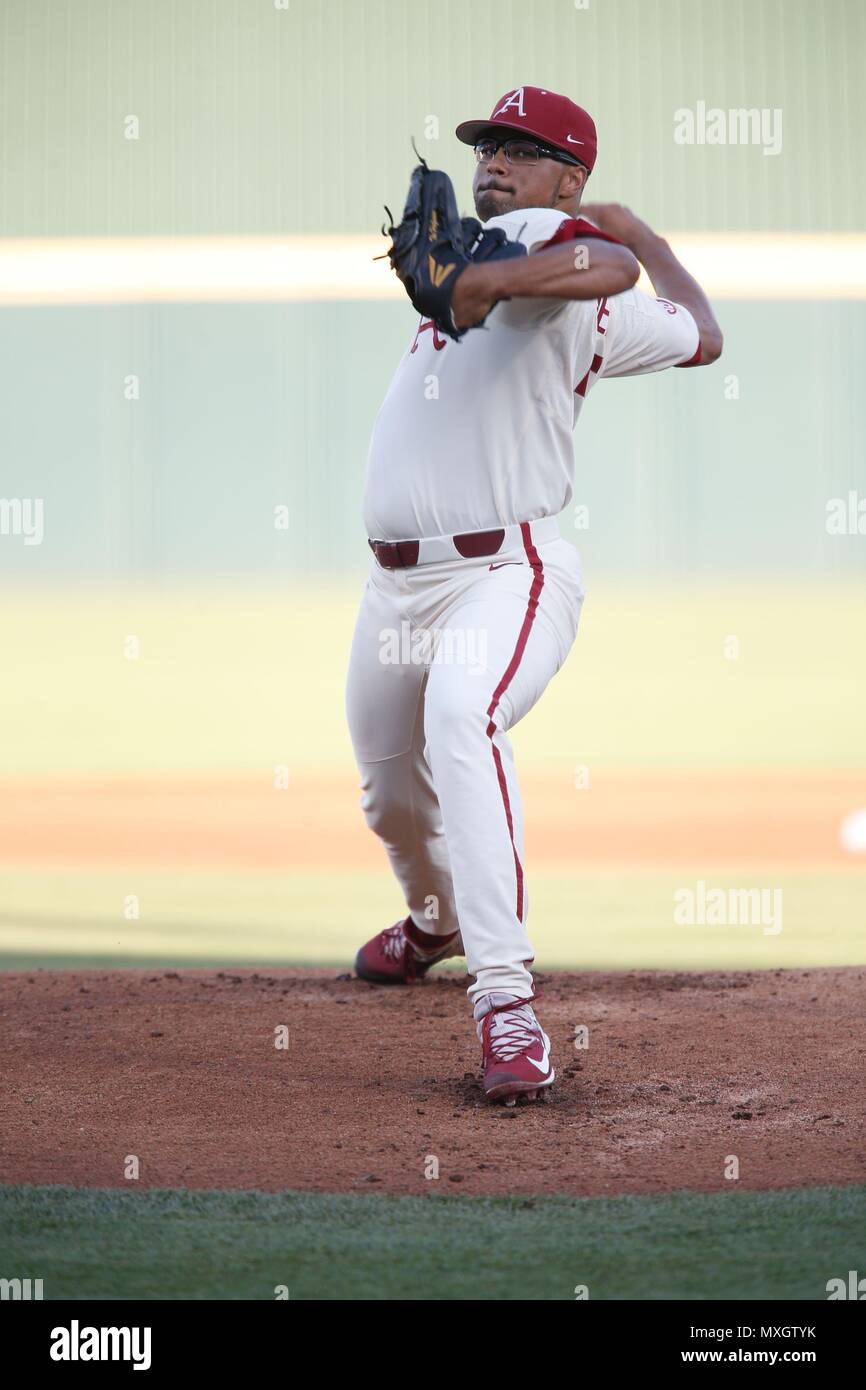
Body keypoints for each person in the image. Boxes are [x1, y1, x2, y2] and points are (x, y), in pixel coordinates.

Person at [346, 85, 722, 1104]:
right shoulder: (490, 256)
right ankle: (435, 921)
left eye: (521, 147)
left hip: (505, 573)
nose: (491, 162)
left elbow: (618, 269)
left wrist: (627, 230)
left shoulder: (535, 242)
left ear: (568, 179)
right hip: (393, 591)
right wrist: (480, 278)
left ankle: (505, 1009)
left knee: (461, 719)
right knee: (388, 796)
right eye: (486, 146)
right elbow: (694, 332)